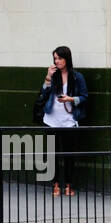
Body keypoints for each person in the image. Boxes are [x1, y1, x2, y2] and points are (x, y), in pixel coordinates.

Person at [38, 45, 87, 196]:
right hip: (51, 119)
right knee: (52, 154)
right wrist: (47, 77)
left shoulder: (77, 77)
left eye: (59, 58)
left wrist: (70, 98)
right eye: (55, 59)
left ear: (67, 59)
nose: (57, 61)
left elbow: (85, 97)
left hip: (68, 120)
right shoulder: (53, 75)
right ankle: (55, 184)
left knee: (68, 154)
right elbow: (43, 93)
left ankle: (69, 185)